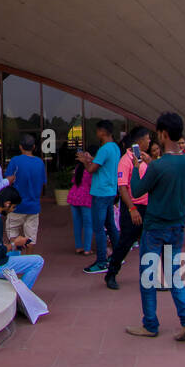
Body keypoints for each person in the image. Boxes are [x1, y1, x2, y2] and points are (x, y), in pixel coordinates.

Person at [125, 112, 185, 341]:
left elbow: (137, 190)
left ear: (163, 134)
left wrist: (138, 167)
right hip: (177, 226)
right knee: (174, 275)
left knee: (148, 276)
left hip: (155, 227)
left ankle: (150, 324)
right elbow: (168, 173)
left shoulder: (157, 167)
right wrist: (151, 163)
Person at [0, 184, 45, 292]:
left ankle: (12, 288)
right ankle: (21, 296)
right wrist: (14, 244)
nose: (13, 210)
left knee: (16, 252)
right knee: (38, 261)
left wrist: (14, 245)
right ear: (7, 204)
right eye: (13, 207)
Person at [105, 127, 151, 289]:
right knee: (126, 242)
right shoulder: (126, 160)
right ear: (139, 141)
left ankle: (149, 276)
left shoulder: (144, 158)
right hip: (133, 207)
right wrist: (132, 209)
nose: (149, 141)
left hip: (147, 207)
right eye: (147, 139)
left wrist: (149, 162)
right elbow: (122, 188)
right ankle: (111, 273)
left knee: (149, 243)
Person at [80, 120, 120, 274]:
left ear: (103, 132)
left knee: (99, 227)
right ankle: (117, 255)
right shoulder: (115, 147)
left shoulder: (104, 149)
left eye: (97, 131)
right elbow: (101, 165)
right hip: (110, 191)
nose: (96, 134)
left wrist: (85, 161)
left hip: (100, 192)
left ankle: (102, 261)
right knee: (110, 225)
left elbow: (91, 169)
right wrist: (90, 159)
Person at [4, 134, 47, 247]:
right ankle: (29, 261)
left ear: (20, 147)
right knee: (30, 239)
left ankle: (15, 260)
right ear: (33, 147)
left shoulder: (15, 161)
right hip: (33, 206)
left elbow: (8, 180)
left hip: (16, 206)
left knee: (12, 236)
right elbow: (42, 183)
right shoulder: (40, 162)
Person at [66, 158, 93, 255]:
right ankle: (87, 248)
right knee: (88, 224)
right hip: (86, 197)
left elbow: (74, 180)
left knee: (77, 223)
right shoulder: (91, 169)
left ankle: (78, 247)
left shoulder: (78, 168)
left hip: (74, 196)